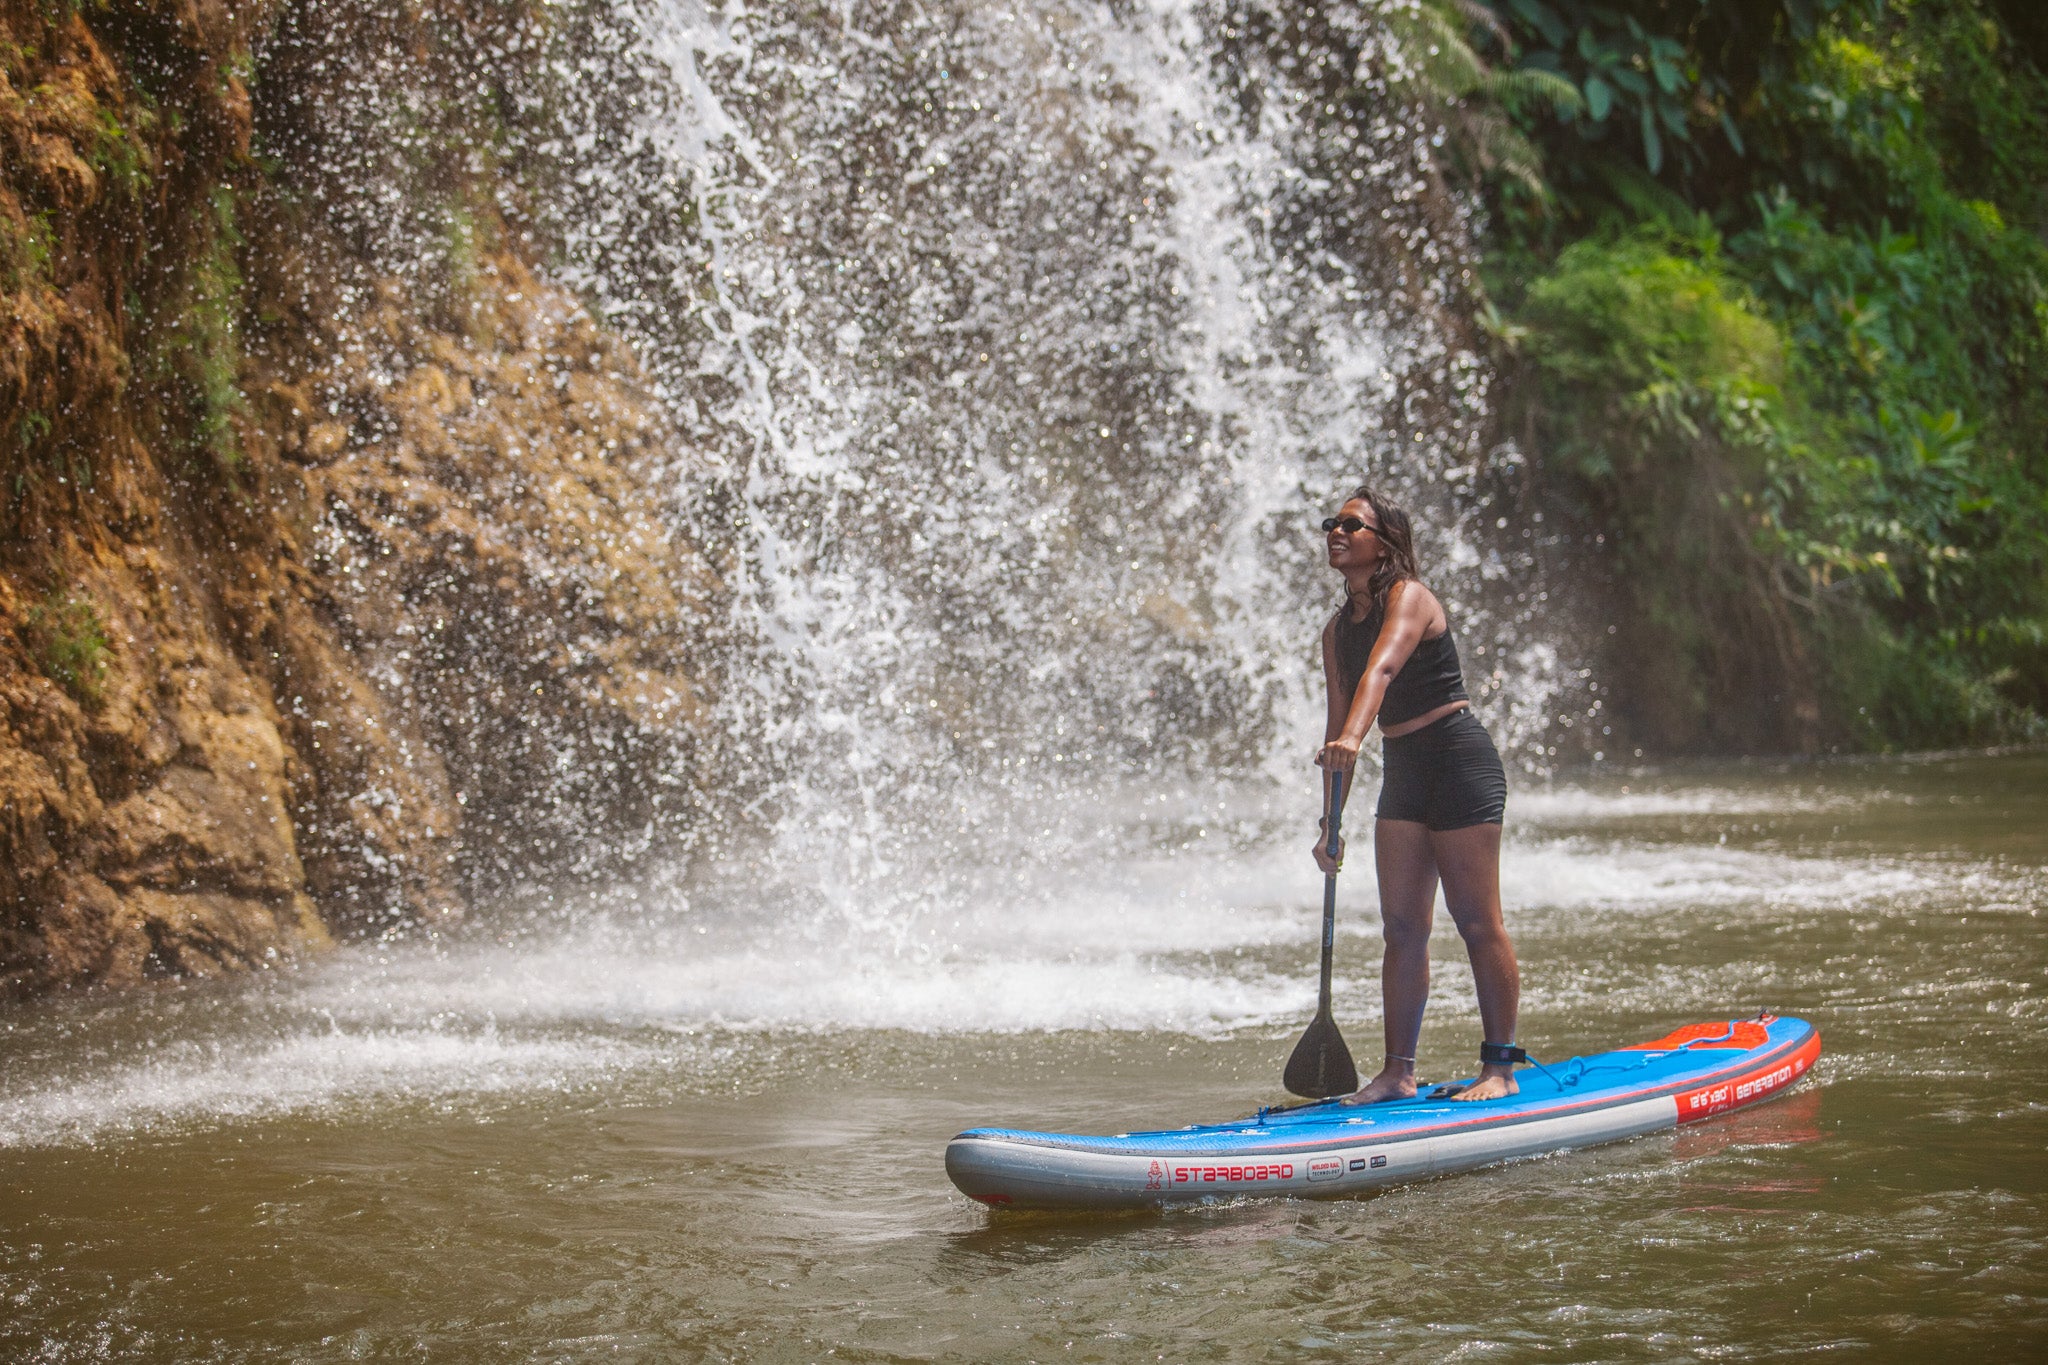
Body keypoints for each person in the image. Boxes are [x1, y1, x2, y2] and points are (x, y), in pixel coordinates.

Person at [1312, 484, 1521, 1103]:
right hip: (1405, 769)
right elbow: (1335, 722)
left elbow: (1382, 670)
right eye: (1332, 523)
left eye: (1351, 524)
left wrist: (1353, 737)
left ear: (1386, 543)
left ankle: (1500, 1069)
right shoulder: (1333, 631)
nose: (1336, 532)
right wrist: (1330, 822)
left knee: (1478, 922)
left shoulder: (1412, 597)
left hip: (1459, 761)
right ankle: (1399, 1073)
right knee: (1402, 927)